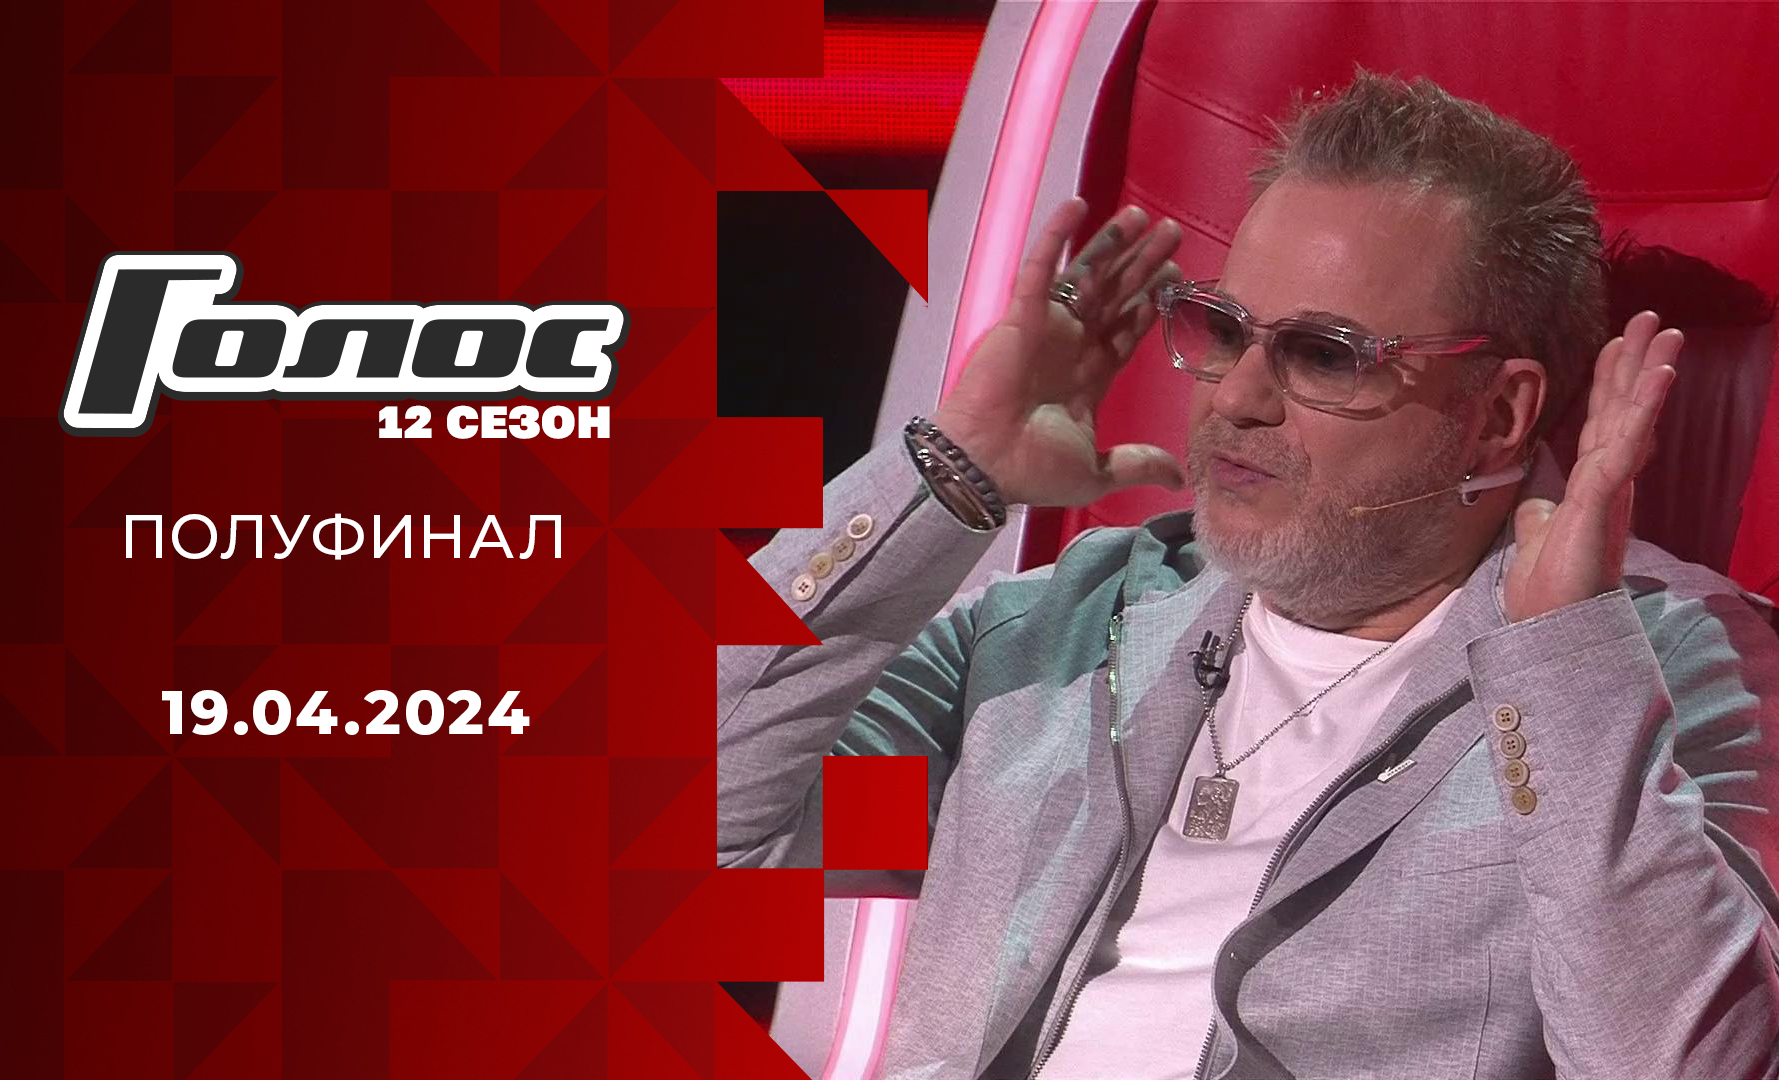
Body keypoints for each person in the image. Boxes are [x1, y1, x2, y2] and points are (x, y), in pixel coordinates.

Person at [715, 72, 1779, 1079]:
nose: (1236, 398)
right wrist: (946, 473)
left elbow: (1679, 1061)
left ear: (1498, 415)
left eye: (1324, 355)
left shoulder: (1668, 666)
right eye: (1224, 331)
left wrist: (1559, 661)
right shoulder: (1057, 641)